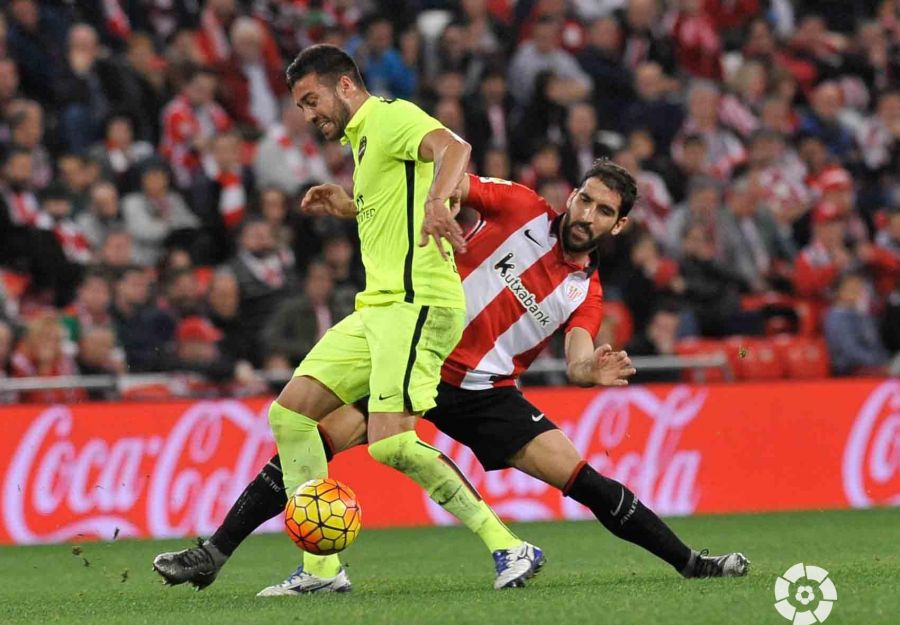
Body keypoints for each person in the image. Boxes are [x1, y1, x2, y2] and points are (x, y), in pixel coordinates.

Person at [155, 162, 749, 597]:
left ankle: (691, 563)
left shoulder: (584, 292)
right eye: (585, 200)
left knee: (585, 481)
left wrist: (590, 371)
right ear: (571, 196)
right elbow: (436, 189)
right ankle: (216, 553)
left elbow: (576, 359)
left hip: (485, 393)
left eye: (603, 212)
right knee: (307, 437)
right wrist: (357, 204)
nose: (587, 216)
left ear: (618, 227)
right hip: (415, 353)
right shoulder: (519, 206)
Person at [154, 44, 543, 593]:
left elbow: (454, 147)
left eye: (311, 100)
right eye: (300, 106)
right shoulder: (361, 142)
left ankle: (509, 545)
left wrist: (438, 201)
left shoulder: (388, 116)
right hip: (377, 308)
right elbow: (393, 204)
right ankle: (321, 569)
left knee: (391, 443)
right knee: (290, 416)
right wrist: (351, 205)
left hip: (417, 303)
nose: (308, 114)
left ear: (343, 85)